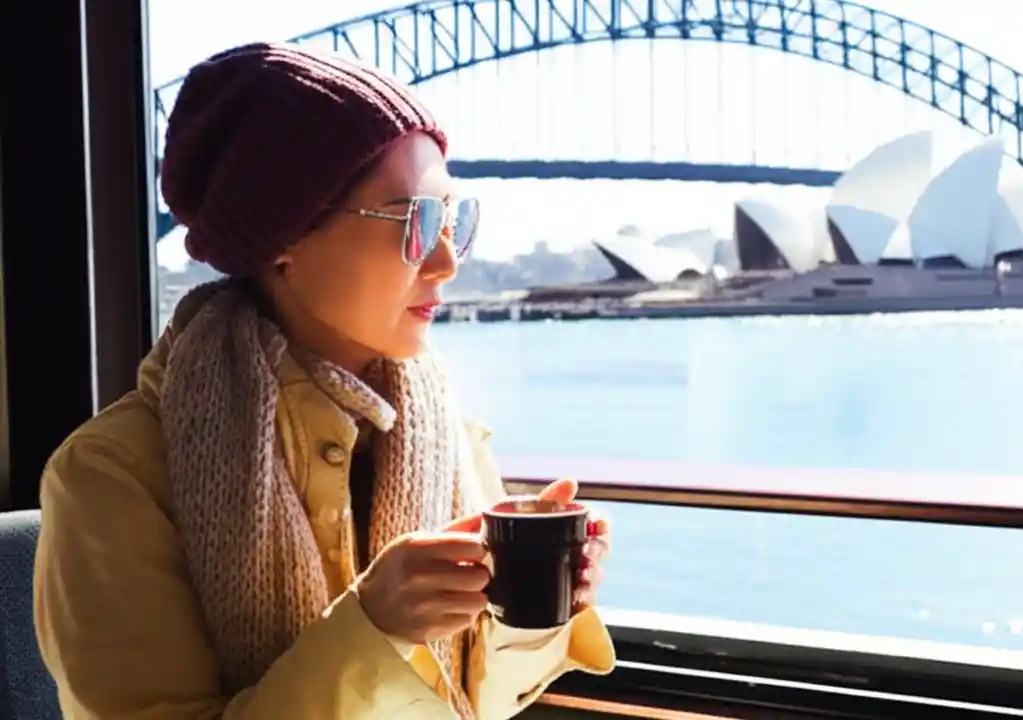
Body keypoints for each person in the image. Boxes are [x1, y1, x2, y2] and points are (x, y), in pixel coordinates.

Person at [33, 42, 615, 719]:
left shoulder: (443, 432)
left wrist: (535, 614)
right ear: (285, 237)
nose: (448, 261)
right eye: (417, 222)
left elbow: (473, 699)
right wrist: (374, 631)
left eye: (456, 219)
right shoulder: (111, 478)